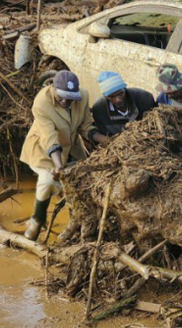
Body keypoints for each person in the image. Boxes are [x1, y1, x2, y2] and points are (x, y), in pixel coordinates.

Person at [20, 71, 108, 240]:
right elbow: (50, 137)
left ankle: (75, 223)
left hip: (71, 148)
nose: (66, 102)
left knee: (81, 182)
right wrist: (59, 167)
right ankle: (37, 220)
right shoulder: (41, 103)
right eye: (62, 98)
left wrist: (108, 141)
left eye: (70, 98)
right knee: (47, 181)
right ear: (54, 89)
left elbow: (86, 127)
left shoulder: (83, 96)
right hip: (44, 150)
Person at [90, 71, 156, 137]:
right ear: (105, 96)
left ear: (124, 88)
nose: (117, 100)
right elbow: (105, 136)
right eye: (111, 97)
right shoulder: (99, 110)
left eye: (120, 94)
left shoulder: (144, 98)